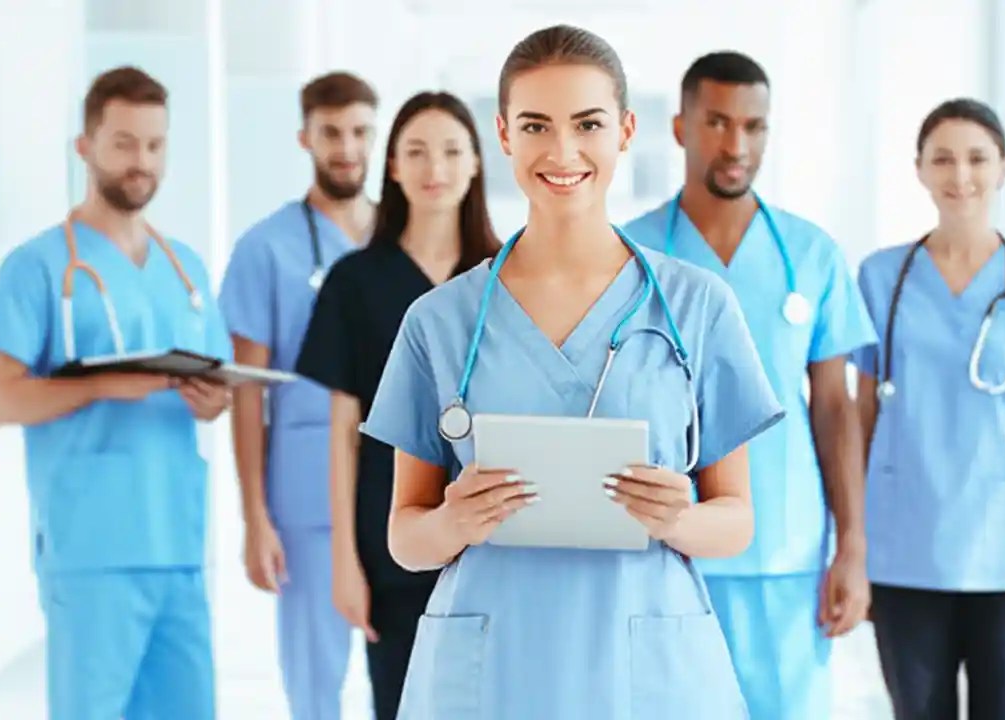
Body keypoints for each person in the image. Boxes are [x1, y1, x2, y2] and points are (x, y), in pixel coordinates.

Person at [359, 25, 786, 720]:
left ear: (624, 131)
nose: (562, 152)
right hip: (492, 664)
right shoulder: (439, 321)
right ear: (503, 135)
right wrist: (455, 521)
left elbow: (735, 521)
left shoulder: (695, 306)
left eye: (587, 124)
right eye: (535, 126)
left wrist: (678, 517)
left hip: (645, 664)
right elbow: (405, 540)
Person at [623, 51, 876, 719]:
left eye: (754, 126)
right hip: (664, 544)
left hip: (785, 547)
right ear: (681, 128)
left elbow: (833, 407)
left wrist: (851, 543)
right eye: (718, 123)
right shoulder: (630, 254)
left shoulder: (812, 253)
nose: (737, 145)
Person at [0, 66, 231, 719]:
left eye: (154, 145)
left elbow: (215, 386)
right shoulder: (38, 267)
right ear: (85, 147)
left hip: (177, 546)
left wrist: (214, 400)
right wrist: (102, 387)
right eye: (123, 143)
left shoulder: (187, 270)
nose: (140, 162)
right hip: (91, 548)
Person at [852, 98, 1005, 720]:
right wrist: (849, 544)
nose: (960, 175)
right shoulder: (882, 278)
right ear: (920, 170)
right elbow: (859, 419)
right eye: (943, 159)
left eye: (976, 158)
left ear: (1004, 167)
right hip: (906, 545)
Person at [295, 90, 500, 720]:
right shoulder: (354, 282)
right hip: (390, 545)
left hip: (495, 542)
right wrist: (344, 563)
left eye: (450, 151)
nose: (433, 168)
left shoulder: (505, 278)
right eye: (415, 151)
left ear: (475, 165)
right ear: (392, 166)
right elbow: (341, 434)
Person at [217, 70, 378, 720]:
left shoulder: (403, 236)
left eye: (360, 131)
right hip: (309, 498)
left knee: (408, 675)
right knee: (316, 686)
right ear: (304, 137)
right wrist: (255, 516)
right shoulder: (266, 248)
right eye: (331, 133)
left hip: (400, 487)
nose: (346, 148)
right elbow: (246, 395)